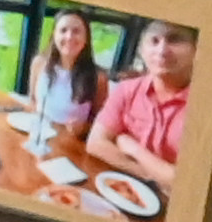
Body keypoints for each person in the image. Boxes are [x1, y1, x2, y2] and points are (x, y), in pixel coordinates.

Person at [85, 17, 199, 183]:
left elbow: (182, 181)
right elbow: (95, 143)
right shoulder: (127, 89)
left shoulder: (205, 107)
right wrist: (149, 176)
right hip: (123, 188)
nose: (161, 50)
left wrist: (132, 147)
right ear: (141, 50)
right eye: (154, 40)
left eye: (174, 40)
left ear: (197, 49)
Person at [26, 8, 106, 145]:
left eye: (76, 31)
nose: (69, 37)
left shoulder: (98, 77)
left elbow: (101, 123)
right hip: (38, 138)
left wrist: (83, 128)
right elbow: (33, 100)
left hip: (70, 144)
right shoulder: (39, 63)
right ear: (54, 35)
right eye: (63, 31)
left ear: (86, 38)